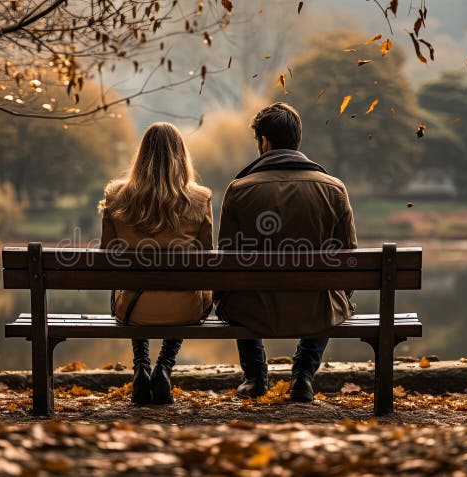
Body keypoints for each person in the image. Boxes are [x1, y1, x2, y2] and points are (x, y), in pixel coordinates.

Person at [216, 102, 358, 402]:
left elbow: (226, 263)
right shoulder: (334, 189)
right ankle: (303, 375)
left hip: (253, 310)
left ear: (264, 142)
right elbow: (349, 260)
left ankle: (255, 376)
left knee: (235, 291)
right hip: (317, 309)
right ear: (297, 141)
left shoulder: (239, 190)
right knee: (332, 292)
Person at [98, 122, 213, 405]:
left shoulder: (116, 195)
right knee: (198, 291)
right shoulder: (200, 198)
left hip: (133, 310)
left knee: (126, 287)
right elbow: (208, 260)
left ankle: (141, 365)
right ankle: (164, 364)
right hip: (184, 310)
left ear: (141, 156)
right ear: (181, 156)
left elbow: (105, 257)